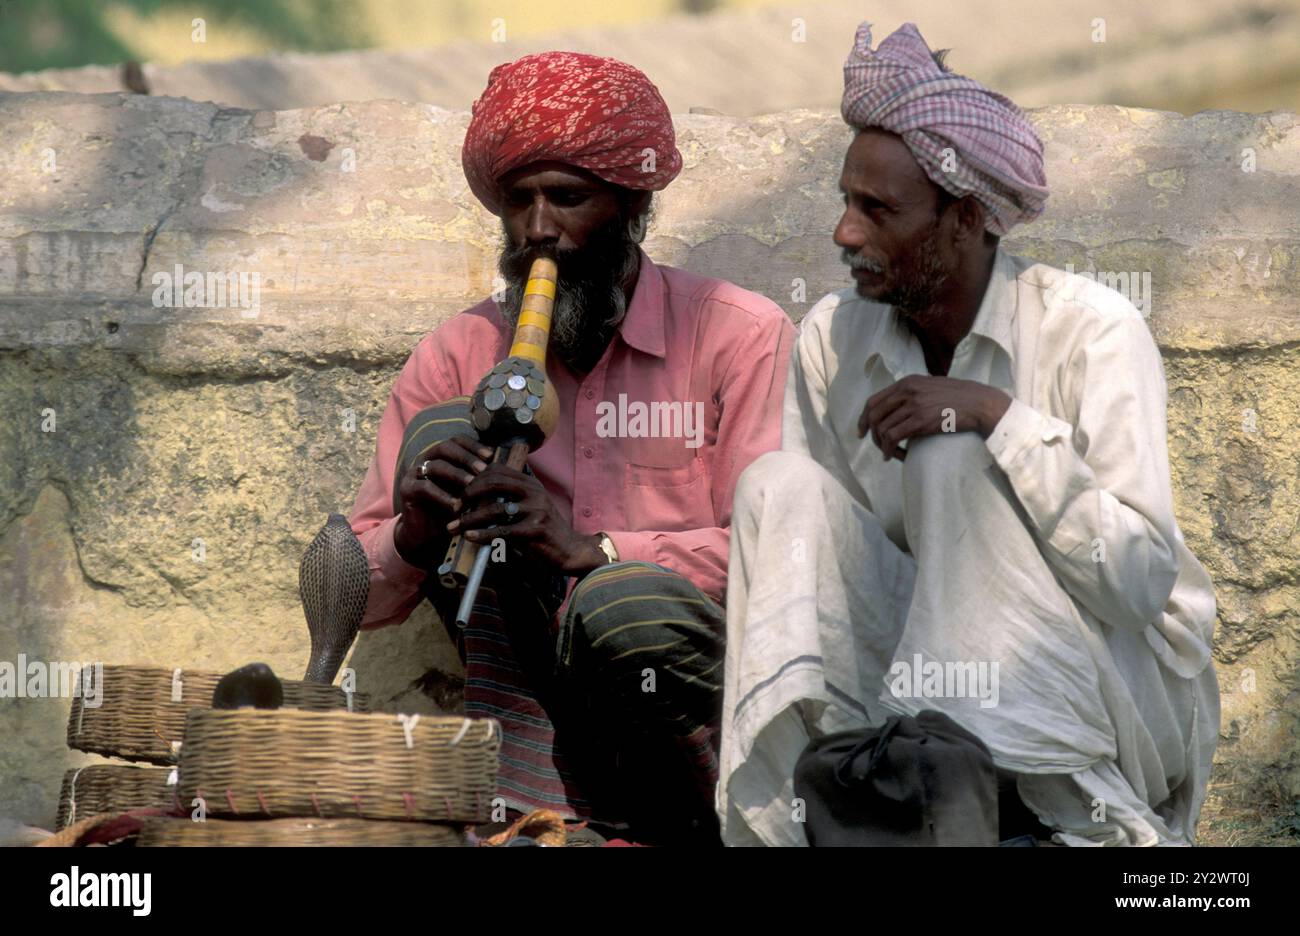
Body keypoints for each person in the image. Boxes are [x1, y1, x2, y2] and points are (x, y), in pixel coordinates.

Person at [718, 22, 1219, 846]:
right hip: (917, 691)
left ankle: (1063, 825)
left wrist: (999, 420)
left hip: (1109, 696)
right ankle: (806, 819)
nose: (846, 233)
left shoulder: (1092, 330)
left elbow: (1136, 586)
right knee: (775, 486)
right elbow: (829, 585)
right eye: (846, 202)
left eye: (878, 210)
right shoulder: (833, 337)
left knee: (952, 451)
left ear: (967, 217)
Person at [347, 51, 795, 845]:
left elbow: (784, 556)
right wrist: (417, 531)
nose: (539, 230)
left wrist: (593, 549)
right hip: (530, 672)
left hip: (686, 689)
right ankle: (542, 812)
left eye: (568, 199)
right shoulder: (458, 352)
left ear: (631, 205)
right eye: (519, 202)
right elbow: (360, 598)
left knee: (620, 603)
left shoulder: (738, 336)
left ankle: (690, 822)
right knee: (442, 435)